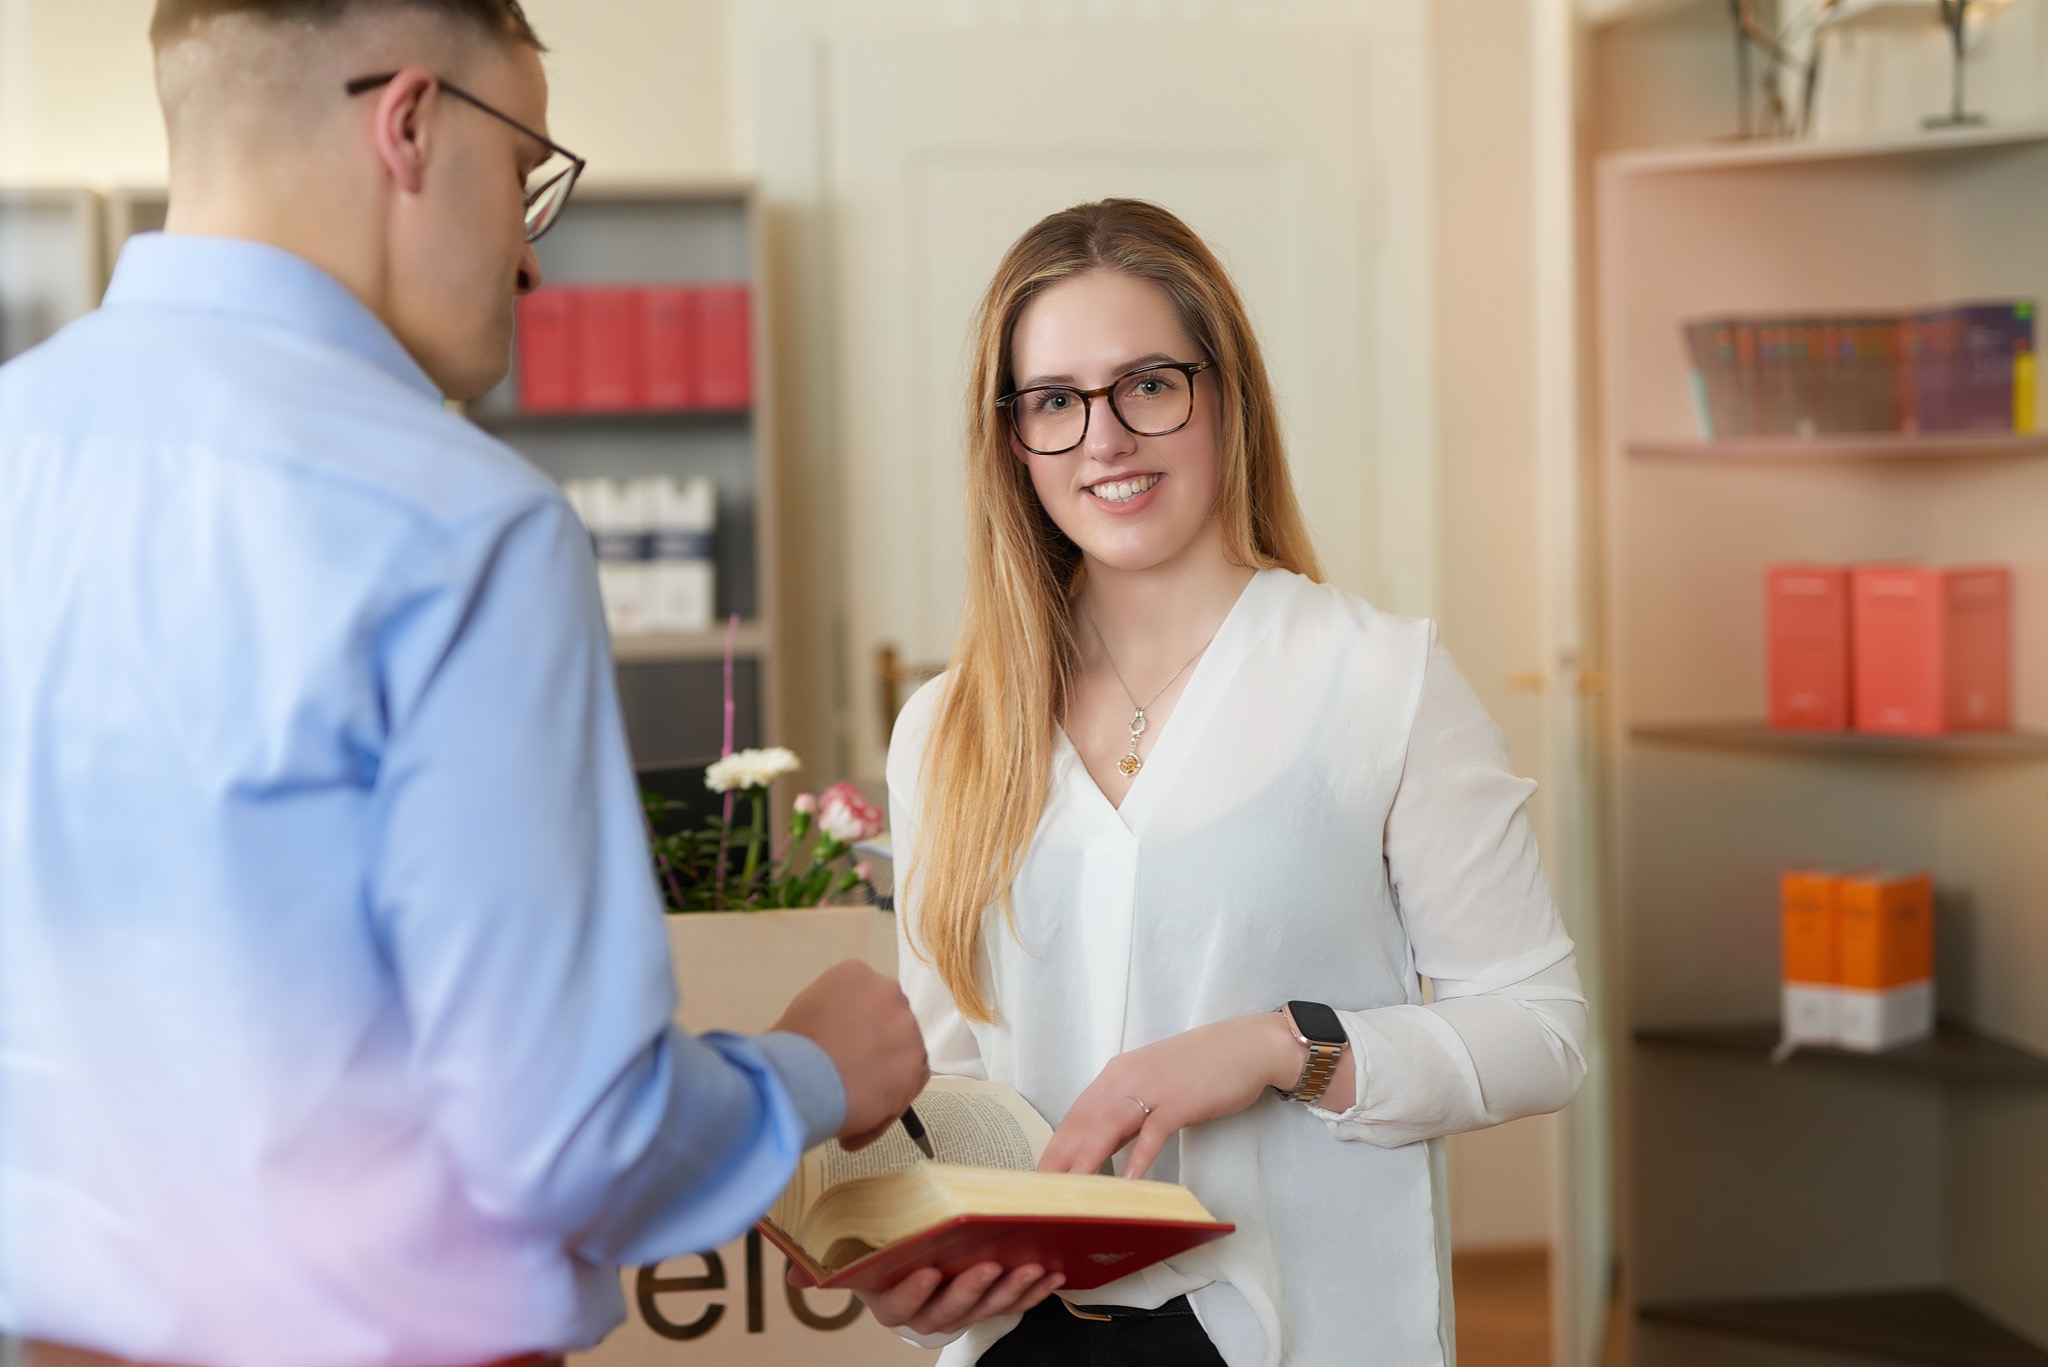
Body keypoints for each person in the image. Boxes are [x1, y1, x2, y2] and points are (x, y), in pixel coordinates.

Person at [0, 3, 928, 1365]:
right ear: (412, 124)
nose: (534, 257)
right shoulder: (455, 524)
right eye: (524, 174)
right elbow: (567, 1140)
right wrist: (809, 1068)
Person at [863, 200, 1590, 1366]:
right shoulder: (946, 728)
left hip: (1288, 1331)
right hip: (1024, 1342)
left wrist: (1273, 1046)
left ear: (1224, 393)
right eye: (1053, 401)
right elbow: (953, 1082)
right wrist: (927, 1259)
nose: (1102, 438)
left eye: (1146, 382)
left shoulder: (1377, 680)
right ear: (1009, 439)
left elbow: (1540, 1032)